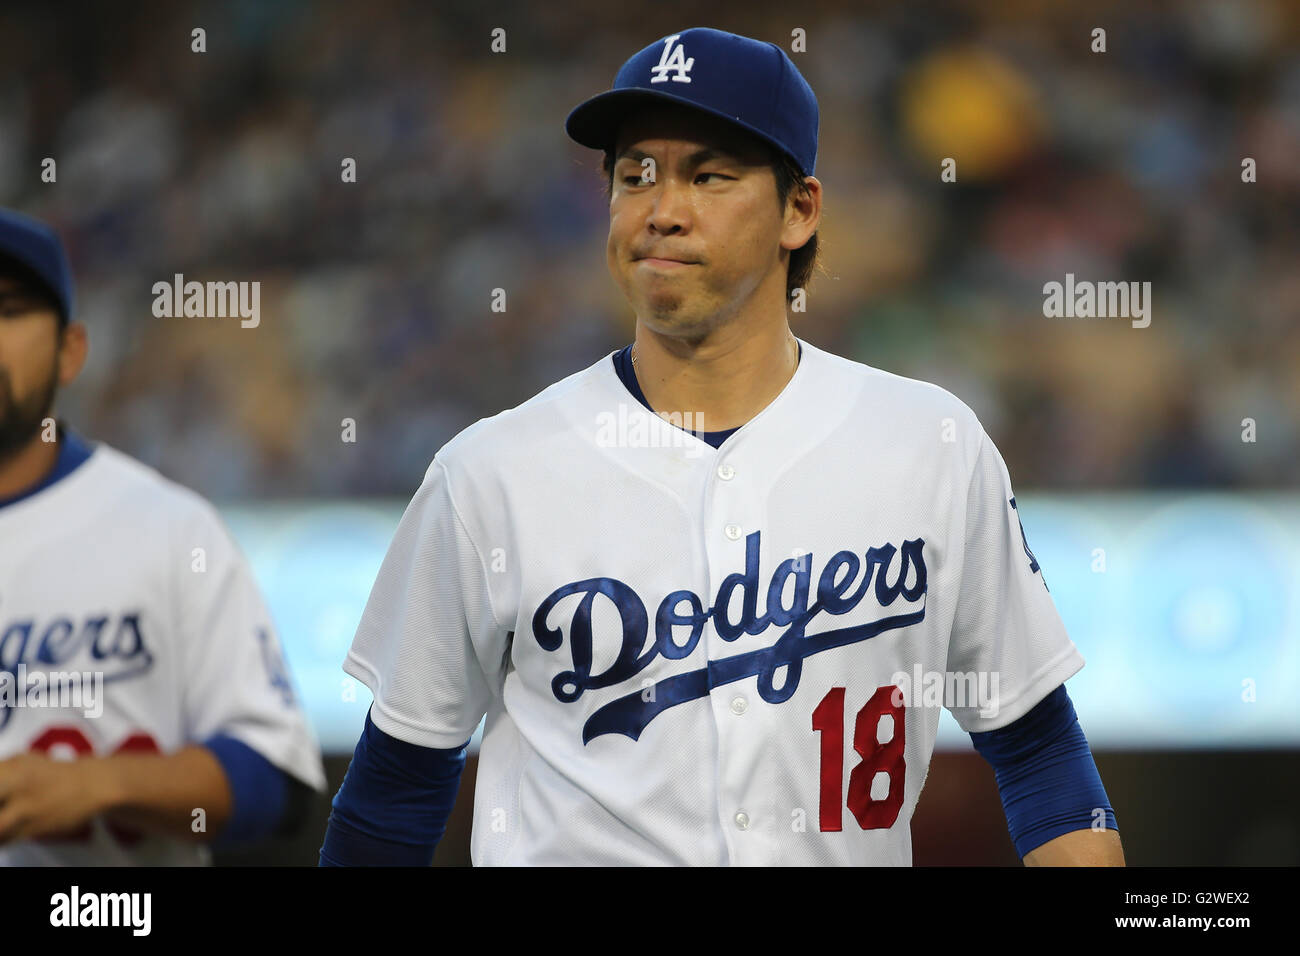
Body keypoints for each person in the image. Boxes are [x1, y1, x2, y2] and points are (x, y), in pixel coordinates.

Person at [320, 27, 1124, 866]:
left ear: (799, 209)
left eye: (709, 175)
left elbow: (1039, 756)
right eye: (635, 175)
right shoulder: (491, 472)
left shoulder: (930, 445)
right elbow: (391, 799)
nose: (662, 208)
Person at [0, 207, 326, 864]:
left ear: (71, 352)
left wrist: (100, 782)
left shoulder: (165, 528)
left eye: (8, 309)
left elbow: (276, 780)